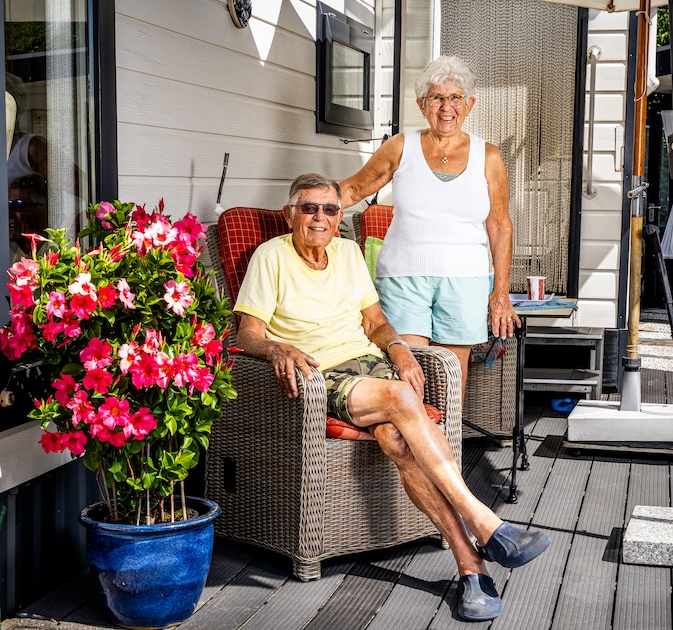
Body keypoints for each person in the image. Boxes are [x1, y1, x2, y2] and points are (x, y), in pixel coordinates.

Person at [233, 173, 549, 622]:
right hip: (321, 374)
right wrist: (276, 348)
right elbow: (247, 336)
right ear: (290, 215)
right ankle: (485, 521)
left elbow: (375, 322)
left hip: (370, 365)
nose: (319, 217)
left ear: (339, 217)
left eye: (328, 209)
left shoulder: (346, 254)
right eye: (309, 208)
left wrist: (399, 348)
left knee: (399, 441)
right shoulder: (271, 257)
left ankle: (471, 569)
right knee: (404, 398)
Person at [338, 55, 519, 397]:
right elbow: (353, 189)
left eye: (455, 98)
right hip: (404, 279)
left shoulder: (489, 156)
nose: (446, 107)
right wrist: (308, 204)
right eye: (437, 97)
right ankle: (409, 449)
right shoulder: (400, 147)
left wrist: (501, 292)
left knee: (451, 376)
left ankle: (447, 449)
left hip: (466, 280)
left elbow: (500, 226)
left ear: (470, 104)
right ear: (422, 104)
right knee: (409, 372)